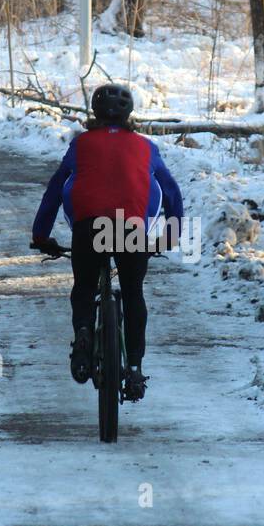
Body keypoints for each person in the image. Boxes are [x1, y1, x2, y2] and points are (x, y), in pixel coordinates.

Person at [31, 82, 183, 401]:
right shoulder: (146, 147)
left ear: (94, 113)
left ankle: (85, 331)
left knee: (85, 286)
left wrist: (41, 235)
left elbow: (55, 190)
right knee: (132, 292)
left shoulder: (80, 145)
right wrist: (172, 232)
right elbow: (171, 192)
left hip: (89, 228)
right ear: (130, 115)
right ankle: (135, 369)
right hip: (130, 230)